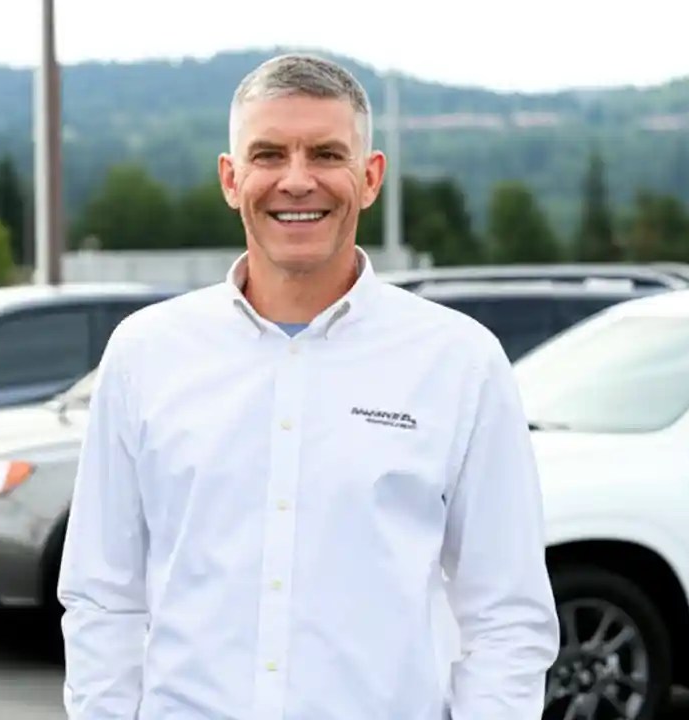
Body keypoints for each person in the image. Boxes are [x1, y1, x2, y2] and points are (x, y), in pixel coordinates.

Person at [57, 53, 560, 720]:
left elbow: (508, 615)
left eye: (325, 154)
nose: (297, 181)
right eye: (268, 155)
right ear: (231, 179)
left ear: (370, 177)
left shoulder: (460, 362)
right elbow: (103, 598)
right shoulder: (145, 355)